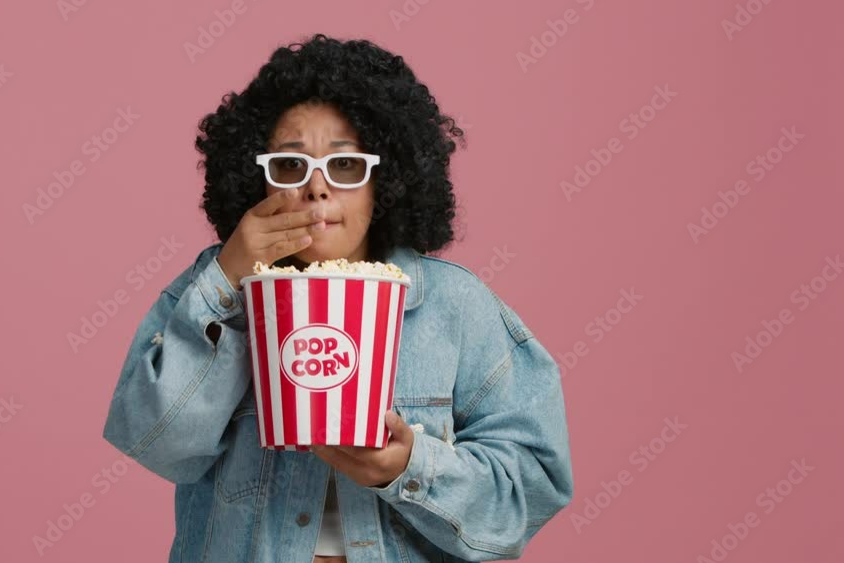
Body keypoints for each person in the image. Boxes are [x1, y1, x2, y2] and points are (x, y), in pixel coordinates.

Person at [101, 33, 573, 563]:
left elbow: (531, 488)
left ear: (385, 180)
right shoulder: (214, 290)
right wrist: (228, 278)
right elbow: (156, 444)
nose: (317, 187)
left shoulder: (455, 306)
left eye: (345, 166)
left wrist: (409, 468)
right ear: (258, 180)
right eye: (290, 165)